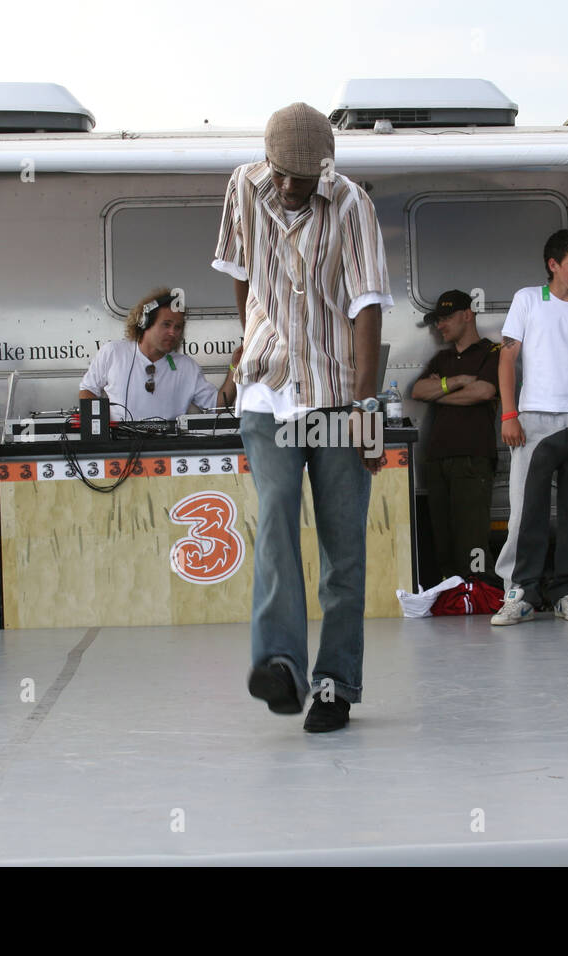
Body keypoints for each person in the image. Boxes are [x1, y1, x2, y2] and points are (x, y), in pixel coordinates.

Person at [212, 102, 391, 733]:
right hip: (268, 397)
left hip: (339, 396)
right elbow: (239, 275)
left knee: (343, 550)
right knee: (277, 522)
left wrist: (368, 410)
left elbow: (368, 306)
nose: (289, 188)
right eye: (280, 173)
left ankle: (336, 682)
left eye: (302, 177)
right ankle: (280, 662)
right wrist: (254, 340)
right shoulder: (242, 186)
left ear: (326, 166)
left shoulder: (351, 204)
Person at [491, 231, 568, 626]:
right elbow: (507, 359)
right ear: (553, 265)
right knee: (526, 512)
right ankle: (519, 592)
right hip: (534, 420)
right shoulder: (528, 299)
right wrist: (509, 413)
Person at [411, 290, 499, 584]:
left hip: (473, 457)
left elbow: (485, 391)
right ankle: (454, 596)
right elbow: (418, 391)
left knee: (471, 539)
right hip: (437, 459)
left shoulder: (492, 352)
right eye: (438, 320)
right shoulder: (443, 359)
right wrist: (459, 382)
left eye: (447, 317)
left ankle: (479, 592)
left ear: (467, 315)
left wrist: (440, 392)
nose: (441, 325)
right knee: (443, 541)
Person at [78, 287, 238, 419]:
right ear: (144, 323)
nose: (173, 333)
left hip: (167, 449)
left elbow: (217, 407)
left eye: (178, 327)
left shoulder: (187, 366)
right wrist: (100, 427)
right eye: (166, 325)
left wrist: (234, 368)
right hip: (119, 447)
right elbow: (88, 390)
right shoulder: (113, 352)